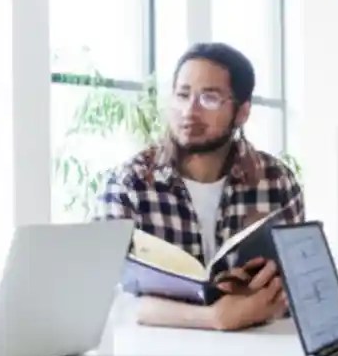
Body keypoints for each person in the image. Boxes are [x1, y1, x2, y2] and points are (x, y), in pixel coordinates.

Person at [96, 43, 304, 331]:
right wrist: (215, 317)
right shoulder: (129, 185)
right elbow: (108, 297)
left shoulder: (276, 181)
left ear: (242, 112)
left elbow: (299, 289)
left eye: (209, 98)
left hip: (261, 349)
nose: (189, 111)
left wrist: (267, 289)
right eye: (182, 95)